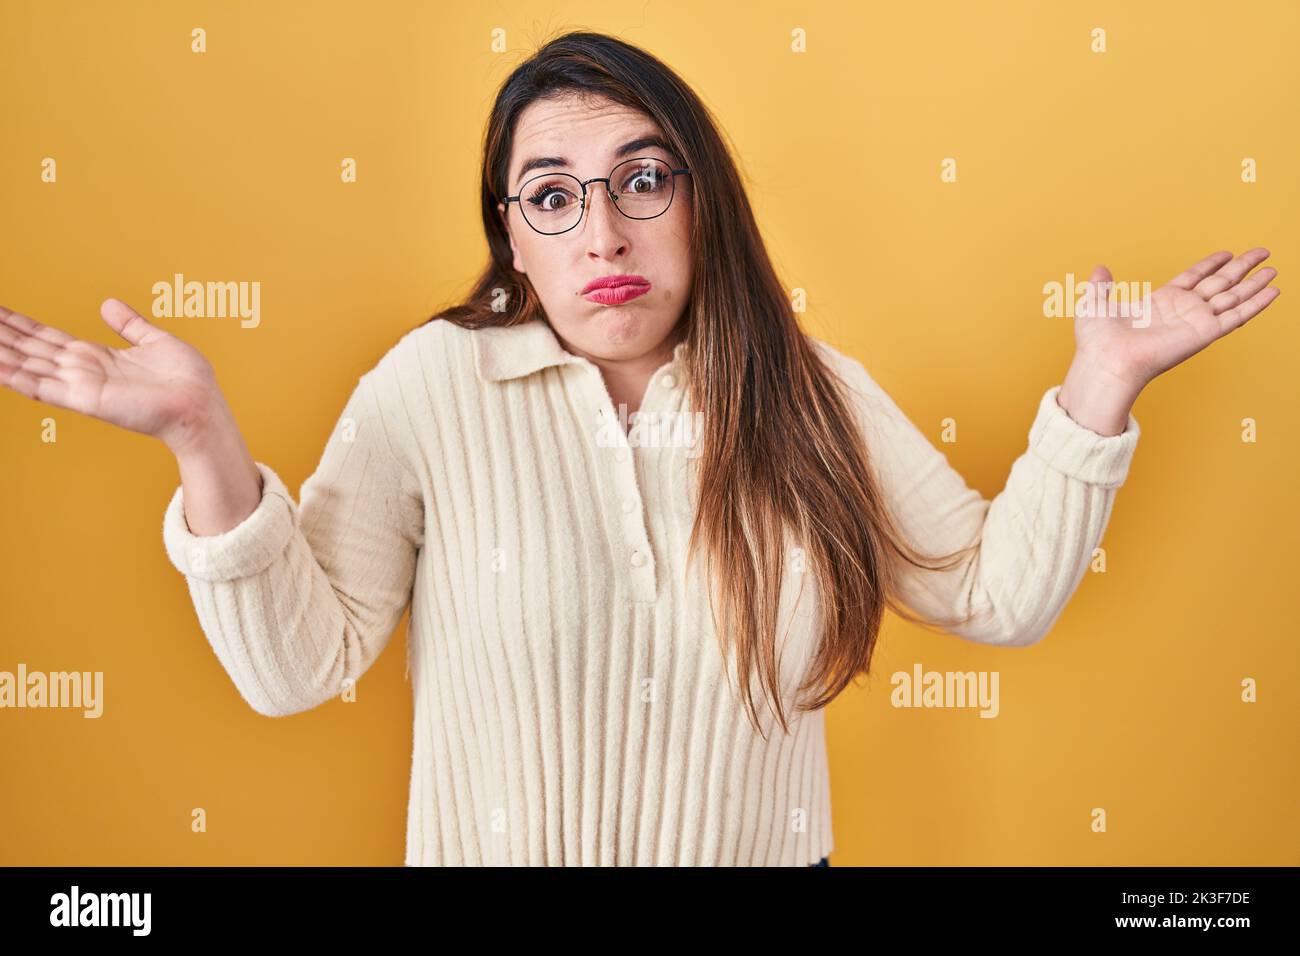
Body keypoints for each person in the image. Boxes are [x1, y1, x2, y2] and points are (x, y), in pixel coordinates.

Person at [0, 31, 1280, 867]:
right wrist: (197, 433)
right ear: (513, 236)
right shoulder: (430, 385)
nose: (601, 233)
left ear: (698, 195)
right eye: (552, 194)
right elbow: (297, 667)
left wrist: (1100, 383)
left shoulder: (806, 388)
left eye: (641, 178)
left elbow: (994, 593)